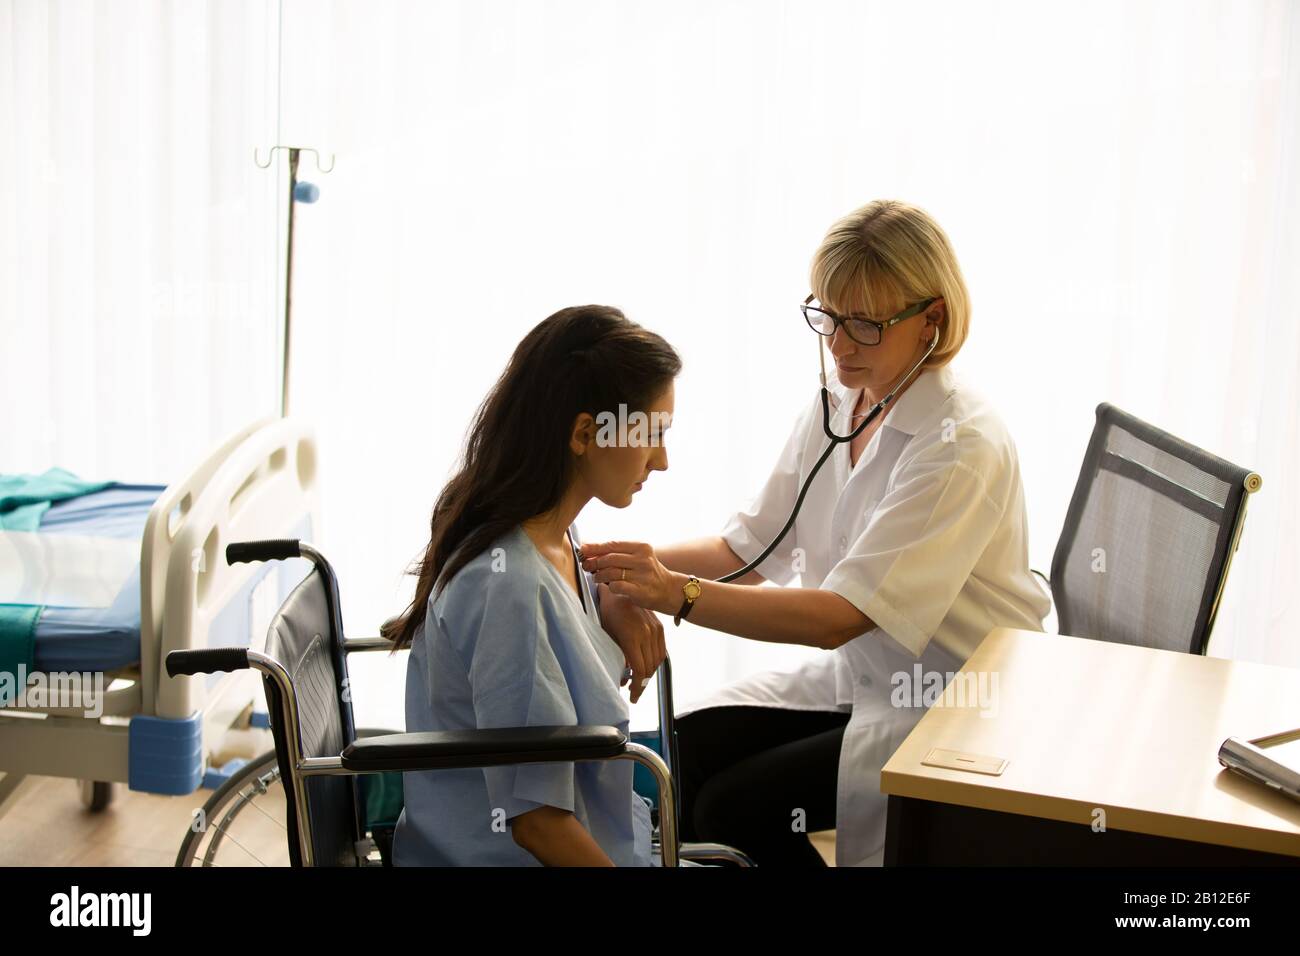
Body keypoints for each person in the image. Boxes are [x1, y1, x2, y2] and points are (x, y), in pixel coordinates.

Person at [580, 199, 1052, 866]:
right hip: (870, 679)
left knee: (733, 808)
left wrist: (670, 593)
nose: (838, 343)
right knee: (683, 756)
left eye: (864, 324)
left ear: (931, 319)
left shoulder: (958, 443)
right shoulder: (844, 399)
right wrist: (609, 568)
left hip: (954, 701)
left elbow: (839, 617)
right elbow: (746, 550)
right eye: (827, 315)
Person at [384, 304, 678, 866]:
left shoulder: (553, 538)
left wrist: (610, 596)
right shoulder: (510, 588)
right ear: (584, 433)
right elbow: (539, 825)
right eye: (652, 436)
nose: (661, 460)